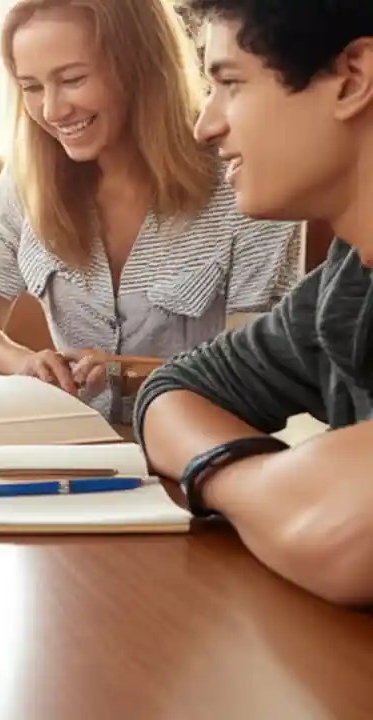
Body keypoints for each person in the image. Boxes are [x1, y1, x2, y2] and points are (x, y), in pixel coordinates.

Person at [0, 0, 301, 424]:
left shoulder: (245, 180)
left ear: (142, 66)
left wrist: (124, 371)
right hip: (75, 457)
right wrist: (23, 363)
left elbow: (257, 369)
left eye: (73, 79)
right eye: (32, 87)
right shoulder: (25, 184)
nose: (52, 111)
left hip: (204, 458)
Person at [136, 0, 373, 605]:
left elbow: (348, 538)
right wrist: (262, 485)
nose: (205, 126)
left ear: (354, 78)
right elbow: (174, 390)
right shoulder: (348, 277)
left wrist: (238, 483)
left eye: (231, 84)